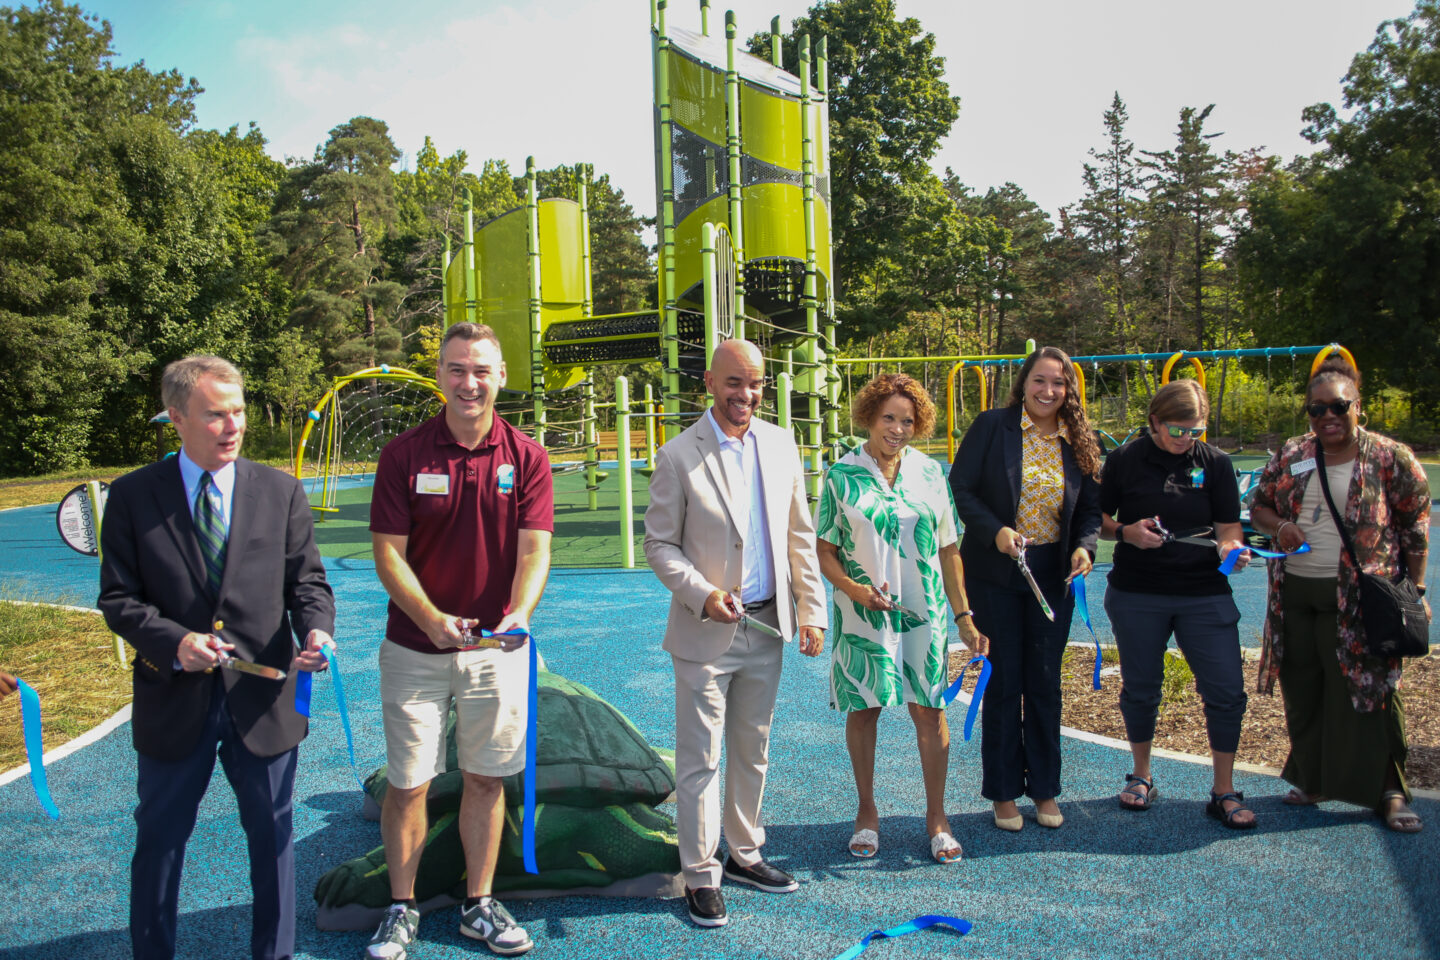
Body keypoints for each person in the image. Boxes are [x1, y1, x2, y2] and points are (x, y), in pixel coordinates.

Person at [98, 355, 336, 960]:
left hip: (264, 702)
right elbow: (119, 599)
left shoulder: (280, 490)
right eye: (215, 415)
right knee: (159, 841)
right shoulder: (130, 497)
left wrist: (315, 632)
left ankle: (273, 954)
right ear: (176, 418)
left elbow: (307, 583)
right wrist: (174, 642)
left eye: (238, 412)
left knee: (273, 839)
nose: (232, 427)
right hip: (172, 699)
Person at [366, 323, 554, 959]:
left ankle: (479, 904)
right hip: (415, 650)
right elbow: (388, 556)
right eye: (455, 369)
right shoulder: (404, 455)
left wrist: (519, 613)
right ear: (440, 376)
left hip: (497, 651)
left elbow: (535, 549)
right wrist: (428, 619)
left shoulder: (526, 456)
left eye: (480, 370)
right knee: (409, 783)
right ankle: (401, 907)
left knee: (485, 779)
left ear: (501, 375)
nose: (468, 383)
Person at [644, 338, 826, 929]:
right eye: (733, 383)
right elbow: (660, 545)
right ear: (709, 383)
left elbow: (800, 533)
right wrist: (701, 593)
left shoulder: (779, 443)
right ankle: (700, 872)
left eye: (755, 384)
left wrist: (812, 609)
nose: (745, 395)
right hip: (705, 632)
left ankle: (744, 853)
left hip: (768, 626)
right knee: (701, 758)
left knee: (754, 748)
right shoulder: (677, 456)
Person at [1250, 354, 1430, 833]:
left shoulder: (1389, 457)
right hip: (1295, 593)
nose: (1327, 417)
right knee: (1304, 688)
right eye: (1316, 409)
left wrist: (1418, 587)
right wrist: (1282, 524)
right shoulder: (1292, 454)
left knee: (1370, 689)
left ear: (1358, 407)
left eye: (1338, 406)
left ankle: (1389, 790)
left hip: (1361, 598)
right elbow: (1259, 507)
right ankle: (1314, 778)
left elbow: (1415, 524)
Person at [815, 373, 988, 864]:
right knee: (864, 708)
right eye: (889, 417)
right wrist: (852, 588)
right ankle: (866, 812)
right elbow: (824, 550)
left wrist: (964, 617)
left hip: (924, 611)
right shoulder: (841, 475)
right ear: (869, 416)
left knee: (930, 712)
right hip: (861, 614)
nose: (897, 428)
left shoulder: (932, 474)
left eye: (908, 421)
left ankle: (937, 817)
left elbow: (950, 548)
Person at [949, 346, 1101, 831]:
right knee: (1004, 680)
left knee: (1044, 683)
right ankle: (1003, 794)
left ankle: (1044, 789)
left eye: (1058, 383)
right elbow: (962, 486)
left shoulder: (1079, 439)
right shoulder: (993, 427)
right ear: (1024, 382)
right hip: (996, 570)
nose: (1048, 391)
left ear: (1068, 389)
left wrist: (1085, 548)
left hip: (1051, 572)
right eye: (1040, 380)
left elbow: (1091, 511)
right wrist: (995, 530)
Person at [1097, 380, 1256, 828]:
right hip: (1137, 592)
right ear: (1153, 422)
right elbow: (1100, 520)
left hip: (1204, 593)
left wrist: (1230, 549)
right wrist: (1127, 532)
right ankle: (1140, 775)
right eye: (1176, 430)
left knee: (1226, 691)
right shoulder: (1125, 460)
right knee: (1142, 687)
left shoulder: (1217, 465)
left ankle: (1224, 789)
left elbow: (1229, 527)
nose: (1186, 439)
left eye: (1195, 431)